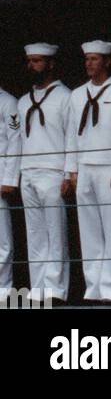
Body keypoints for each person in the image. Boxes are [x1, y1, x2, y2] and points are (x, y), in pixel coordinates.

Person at [66, 40, 111, 303]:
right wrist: (71, 169)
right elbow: (72, 133)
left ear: (107, 61)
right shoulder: (77, 94)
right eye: (87, 59)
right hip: (85, 167)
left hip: (108, 168)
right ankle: (93, 287)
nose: (89, 63)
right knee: (89, 231)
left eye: (95, 59)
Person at [11, 43, 71, 302]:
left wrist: (69, 173)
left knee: (55, 233)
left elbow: (72, 137)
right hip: (29, 170)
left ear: (50, 63)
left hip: (53, 170)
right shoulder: (24, 101)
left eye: (37, 61)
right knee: (35, 234)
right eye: (29, 61)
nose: (32, 66)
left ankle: (56, 288)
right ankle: (38, 289)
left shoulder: (65, 96)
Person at [0, 83, 20, 299]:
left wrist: (9, 179)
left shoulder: (7, 101)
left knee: (1, 240)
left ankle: (3, 291)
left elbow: (14, 141)